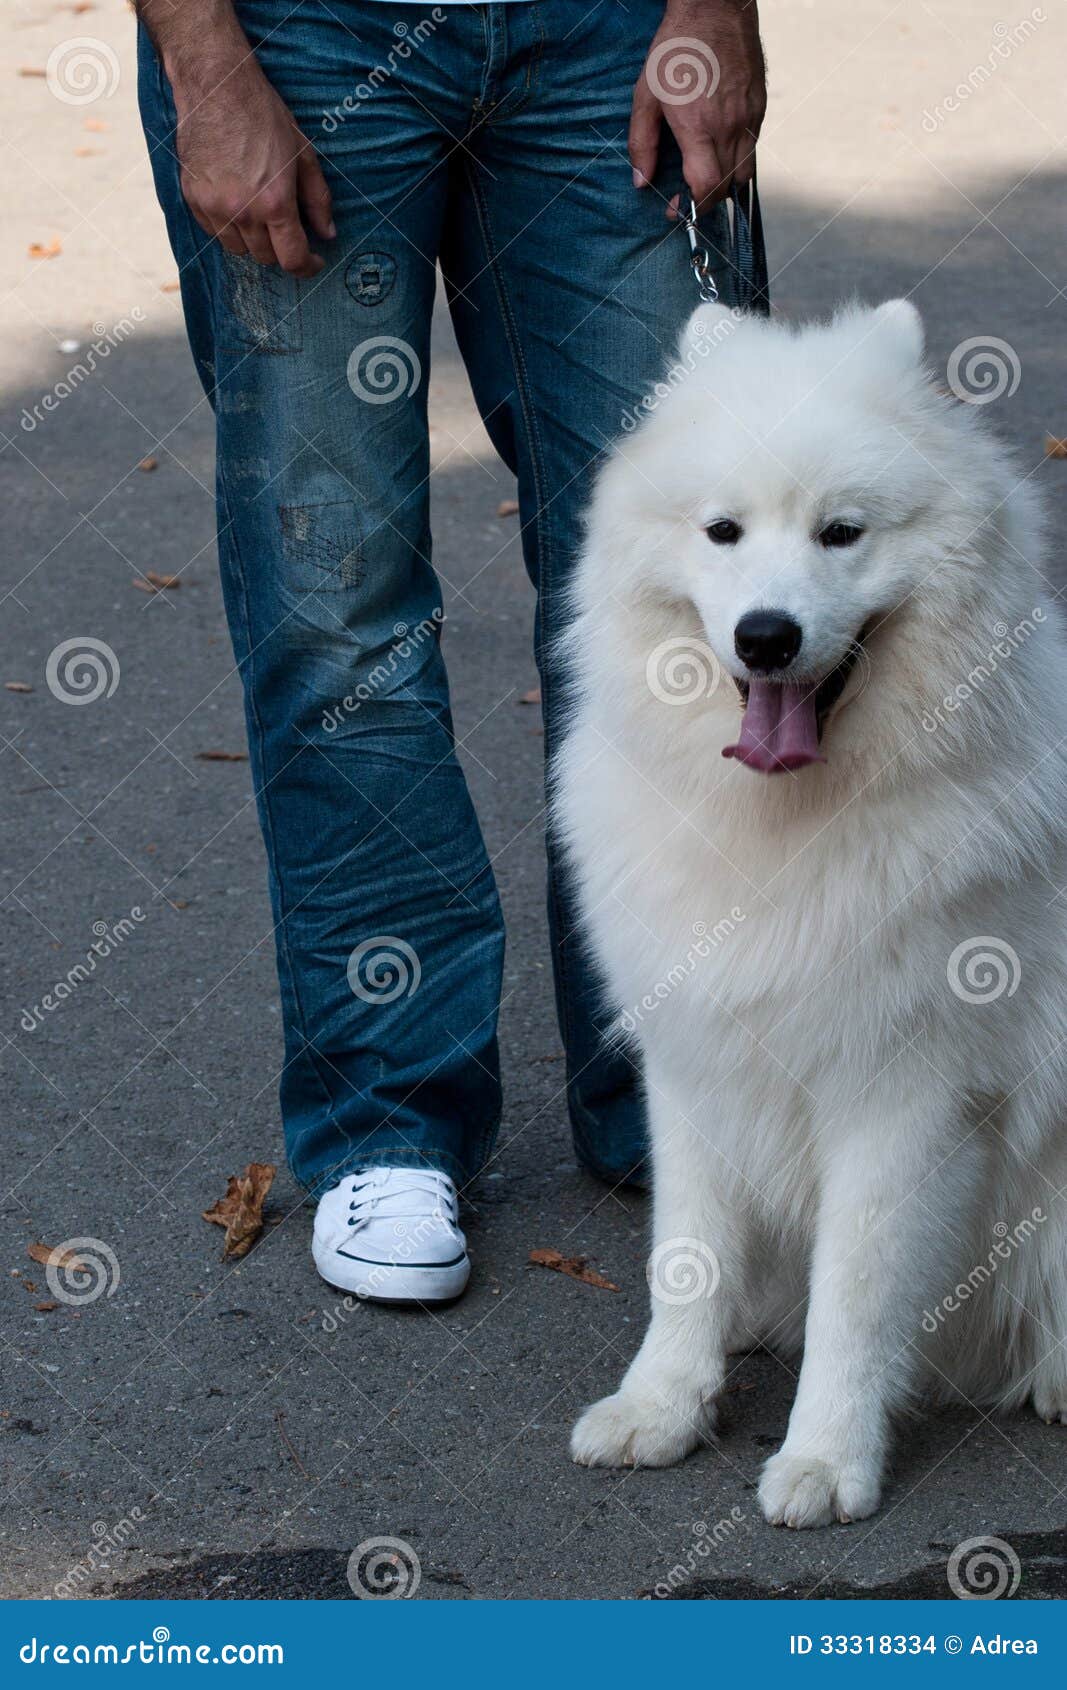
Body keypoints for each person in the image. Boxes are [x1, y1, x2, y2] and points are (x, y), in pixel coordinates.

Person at [135, 0, 768, 1304]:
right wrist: (204, 56)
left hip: (611, 30)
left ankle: (694, 1072)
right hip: (296, 37)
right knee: (336, 603)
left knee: (700, 567)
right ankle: (390, 1105)